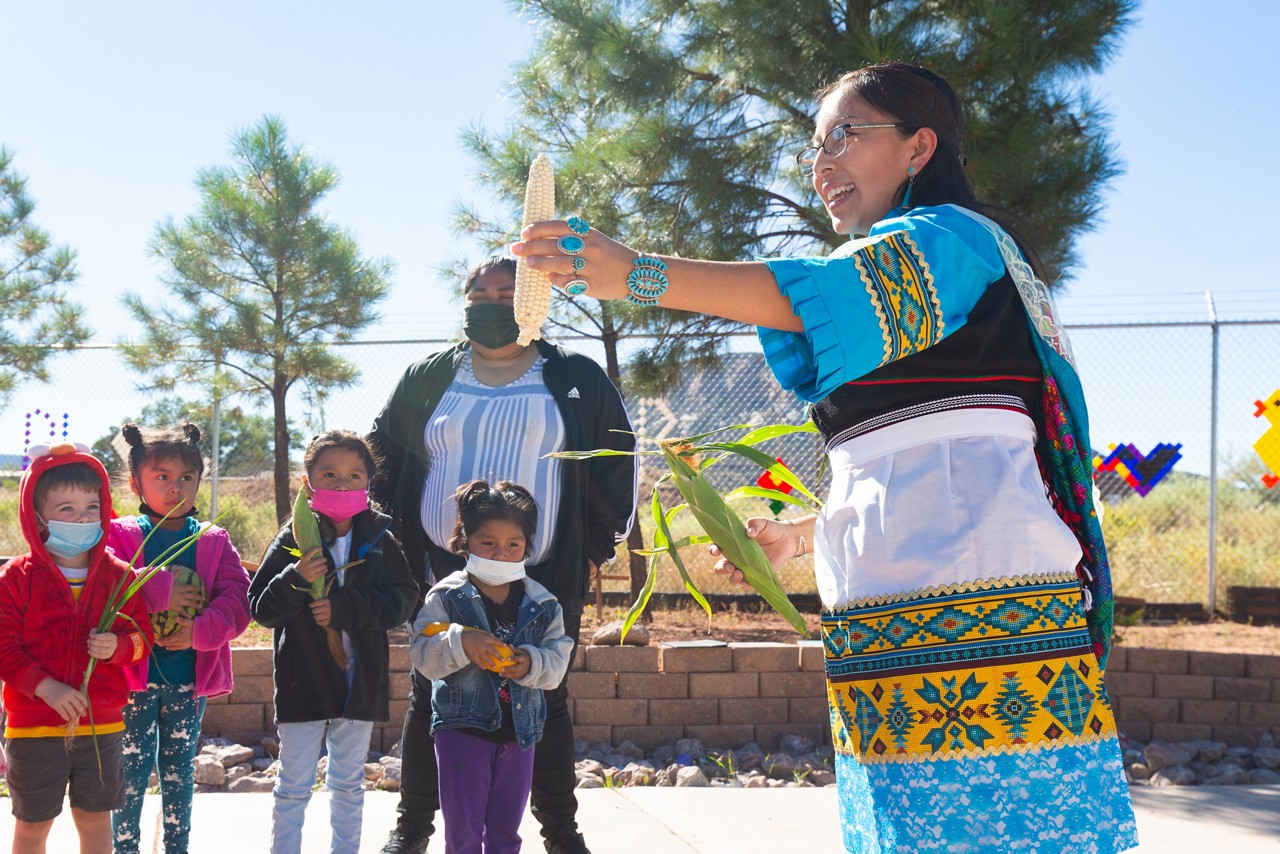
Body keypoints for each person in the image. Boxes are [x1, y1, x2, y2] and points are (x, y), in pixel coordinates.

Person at [512, 62, 1138, 853]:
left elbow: (836, 305)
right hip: (911, 591)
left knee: (996, 827)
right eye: (814, 145)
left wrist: (637, 273)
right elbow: (920, 447)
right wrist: (806, 532)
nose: (822, 163)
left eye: (846, 134)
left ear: (919, 146)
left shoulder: (953, 239)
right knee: (921, 827)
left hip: (971, 592)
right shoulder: (935, 265)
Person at [369, 256, 636, 854]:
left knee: (544, 693)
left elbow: (617, 464)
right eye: (478, 292)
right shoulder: (428, 376)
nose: (490, 303)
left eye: (506, 292)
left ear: (536, 300)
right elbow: (382, 456)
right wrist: (386, 539)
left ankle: (562, 835)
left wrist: (590, 550)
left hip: (540, 572)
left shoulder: (575, 378)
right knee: (428, 689)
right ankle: (411, 833)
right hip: (442, 567)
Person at [249, 430, 418, 854]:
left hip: (357, 685)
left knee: (347, 784)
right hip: (302, 683)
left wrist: (345, 608)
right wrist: (296, 578)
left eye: (353, 475)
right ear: (308, 482)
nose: (342, 483)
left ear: (367, 484)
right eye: (329, 474)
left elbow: (403, 599)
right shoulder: (292, 538)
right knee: (293, 783)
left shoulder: (380, 540)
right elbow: (260, 607)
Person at [106, 422, 252, 854]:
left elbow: (238, 602)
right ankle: (125, 847)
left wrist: (198, 630)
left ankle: (177, 846)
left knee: (178, 770)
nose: (175, 488)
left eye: (186, 478)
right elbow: (107, 587)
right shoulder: (121, 535)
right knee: (128, 770)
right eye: (162, 477)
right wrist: (160, 585)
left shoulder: (212, 540)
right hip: (131, 680)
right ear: (137, 483)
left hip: (188, 681)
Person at [0, 443, 152, 854]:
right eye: (66, 509)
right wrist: (44, 686)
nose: (82, 518)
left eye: (91, 506)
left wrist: (118, 647)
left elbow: (142, 642)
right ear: (36, 516)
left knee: (94, 819)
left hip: (100, 726)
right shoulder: (16, 578)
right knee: (34, 825)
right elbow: (3, 646)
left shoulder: (120, 576)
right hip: (34, 726)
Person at [412, 480, 574, 854]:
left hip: (520, 736)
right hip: (461, 735)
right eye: (488, 543)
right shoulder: (447, 596)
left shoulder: (543, 602)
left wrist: (532, 662)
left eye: (512, 545)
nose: (501, 554)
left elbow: (558, 659)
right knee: (464, 835)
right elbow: (422, 653)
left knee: (506, 834)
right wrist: (461, 641)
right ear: (465, 540)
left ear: (527, 547)